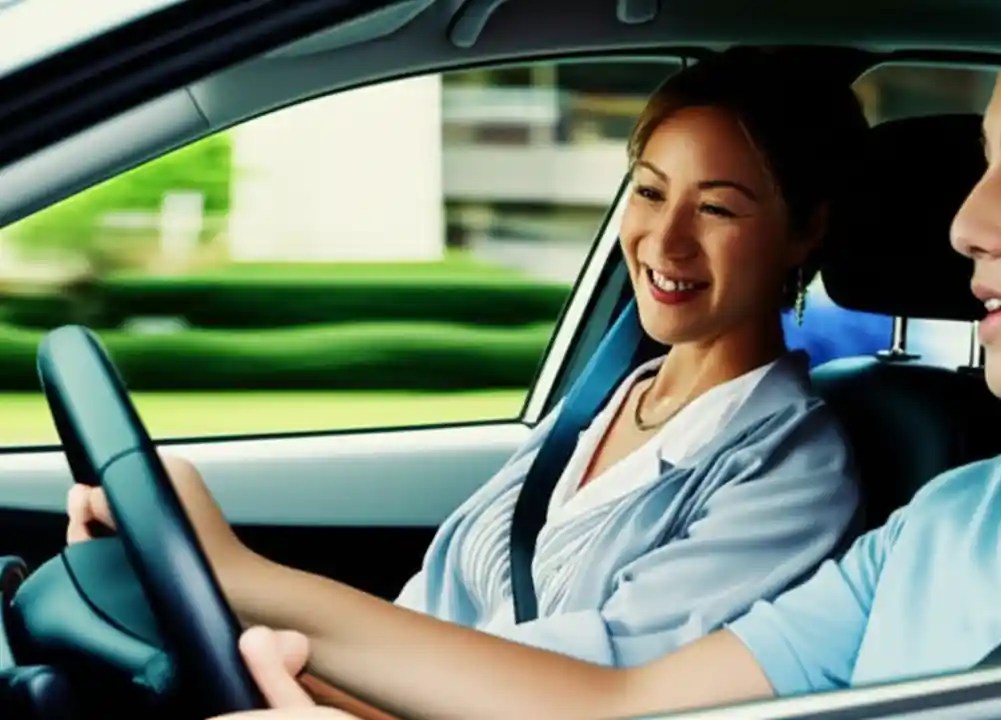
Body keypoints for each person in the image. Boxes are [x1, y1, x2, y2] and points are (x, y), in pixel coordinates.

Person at [185, 1, 1001, 717]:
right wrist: (241, 578)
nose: (964, 225)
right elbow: (619, 706)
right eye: (984, 163)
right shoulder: (952, 517)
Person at [71, 46, 867, 682]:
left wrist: (244, 590)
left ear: (805, 231)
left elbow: (605, 689)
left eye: (717, 208)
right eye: (650, 192)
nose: (665, 240)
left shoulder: (794, 469)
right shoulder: (609, 400)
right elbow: (430, 613)